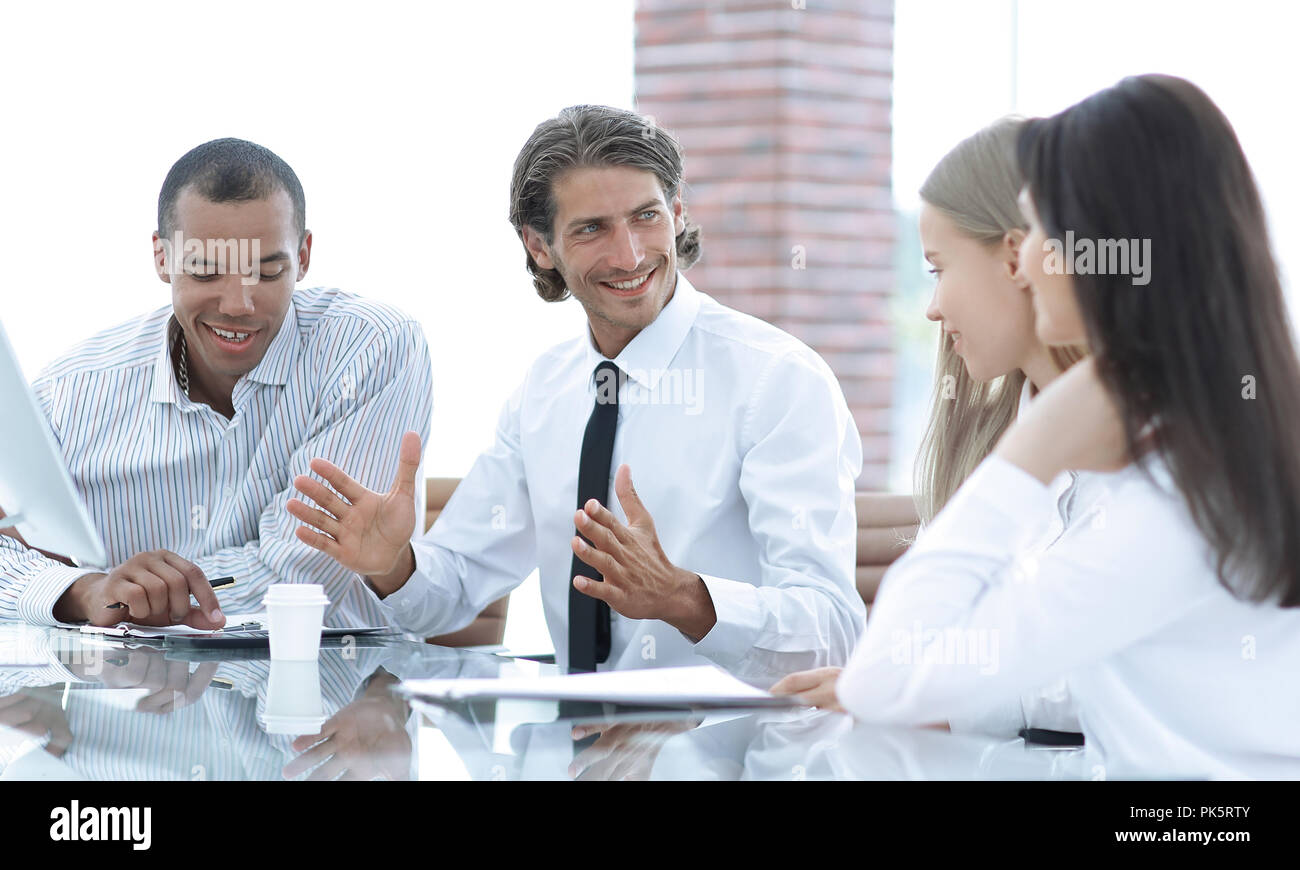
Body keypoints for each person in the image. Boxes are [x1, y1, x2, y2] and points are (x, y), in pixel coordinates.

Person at [287, 105, 865, 675]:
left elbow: (832, 630)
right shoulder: (545, 390)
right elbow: (455, 585)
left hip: (734, 754)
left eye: (646, 217)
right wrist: (392, 566)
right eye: (592, 229)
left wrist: (681, 598)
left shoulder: (778, 380)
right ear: (540, 247)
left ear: (678, 213)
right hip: (570, 753)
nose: (630, 255)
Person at [837, 75, 1300, 778]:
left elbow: (885, 680)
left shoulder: (1171, 497)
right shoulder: (1207, 452)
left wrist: (1030, 451)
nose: (1023, 261)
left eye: (1038, 233)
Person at [0, 138, 432, 629]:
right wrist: (80, 591)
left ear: (304, 256)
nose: (237, 305)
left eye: (268, 272)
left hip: (327, 690)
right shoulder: (68, 394)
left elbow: (297, 575)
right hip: (123, 697)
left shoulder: (368, 350)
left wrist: (133, 601)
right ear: (162, 259)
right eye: (205, 271)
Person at [772, 118, 1090, 738]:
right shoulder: (1007, 433)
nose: (933, 306)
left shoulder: (1155, 451)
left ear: (1015, 257)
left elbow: (1118, 674)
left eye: (939, 268)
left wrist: (935, 696)